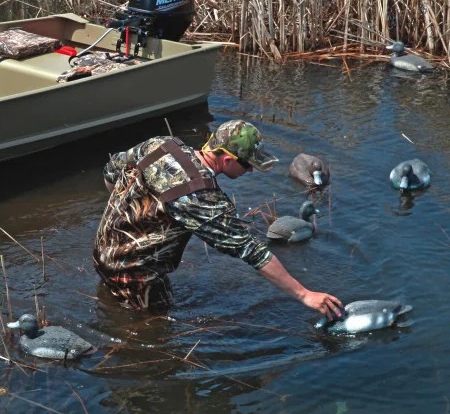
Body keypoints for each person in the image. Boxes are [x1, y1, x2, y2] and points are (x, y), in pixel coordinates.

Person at [93, 119, 343, 318]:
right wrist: (304, 295)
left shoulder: (161, 144)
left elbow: (112, 171)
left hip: (103, 250)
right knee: (152, 327)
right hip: (136, 275)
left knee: (112, 302)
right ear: (227, 159)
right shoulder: (201, 196)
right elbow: (252, 251)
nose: (249, 171)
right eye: (247, 165)